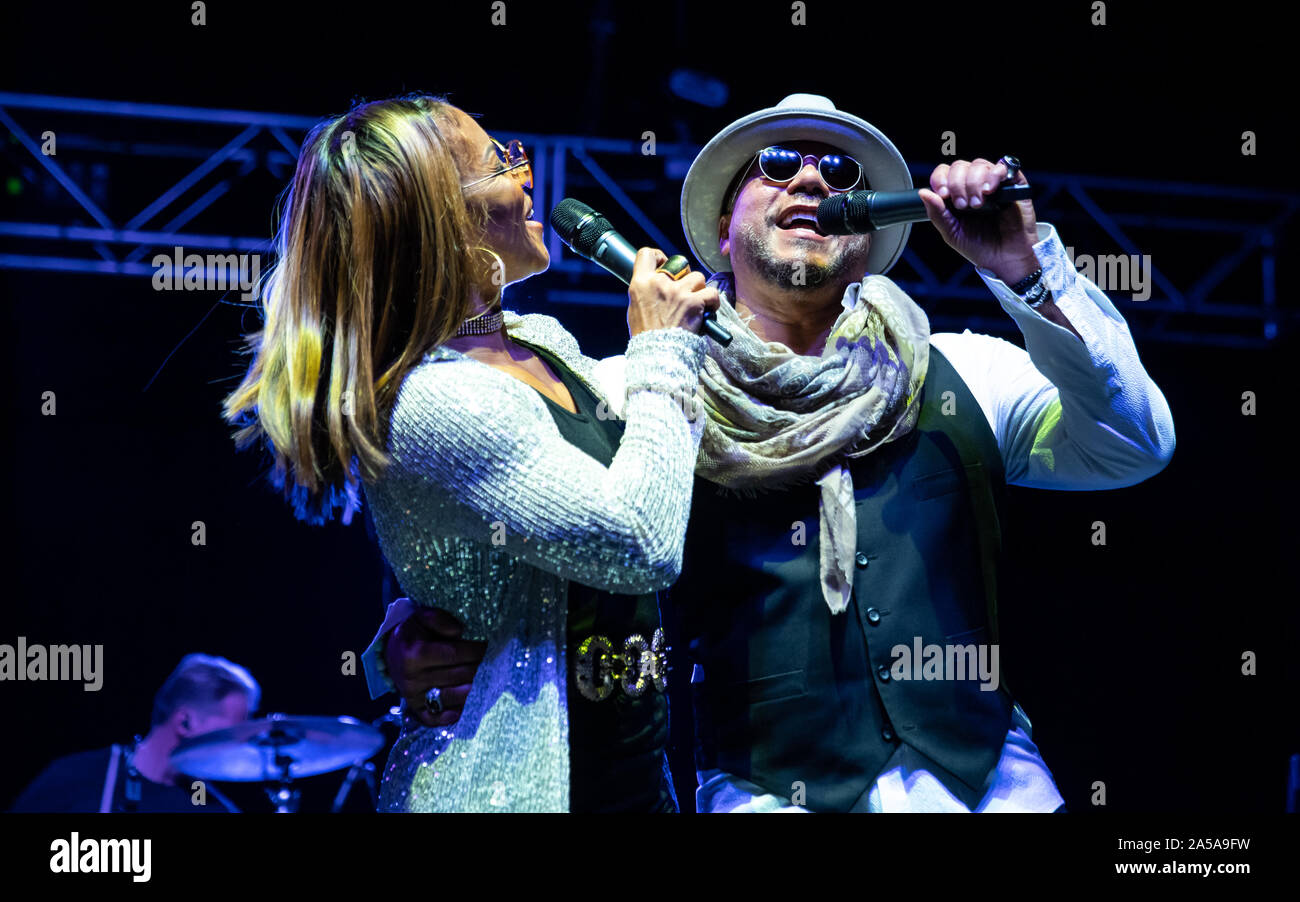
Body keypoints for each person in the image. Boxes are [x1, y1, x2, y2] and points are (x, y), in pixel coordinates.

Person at [372, 94, 1175, 813]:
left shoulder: (961, 368)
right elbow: (492, 509)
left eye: (840, 170)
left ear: (871, 224)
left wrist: (1027, 273)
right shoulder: (643, 388)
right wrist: (399, 644)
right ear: (722, 231)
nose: (812, 182)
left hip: (995, 786)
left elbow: (1133, 444)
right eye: (778, 165)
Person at [222, 93, 720, 812]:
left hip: (631, 782)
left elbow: (663, 432)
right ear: (445, 221)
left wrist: (691, 332)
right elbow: (638, 542)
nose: (526, 172)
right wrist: (662, 345)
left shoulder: (540, 342)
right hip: (505, 789)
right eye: (500, 162)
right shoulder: (437, 399)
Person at [9, 653, 255, 812]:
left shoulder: (210, 807)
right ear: (185, 722)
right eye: (231, 731)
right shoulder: (76, 777)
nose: (239, 744)